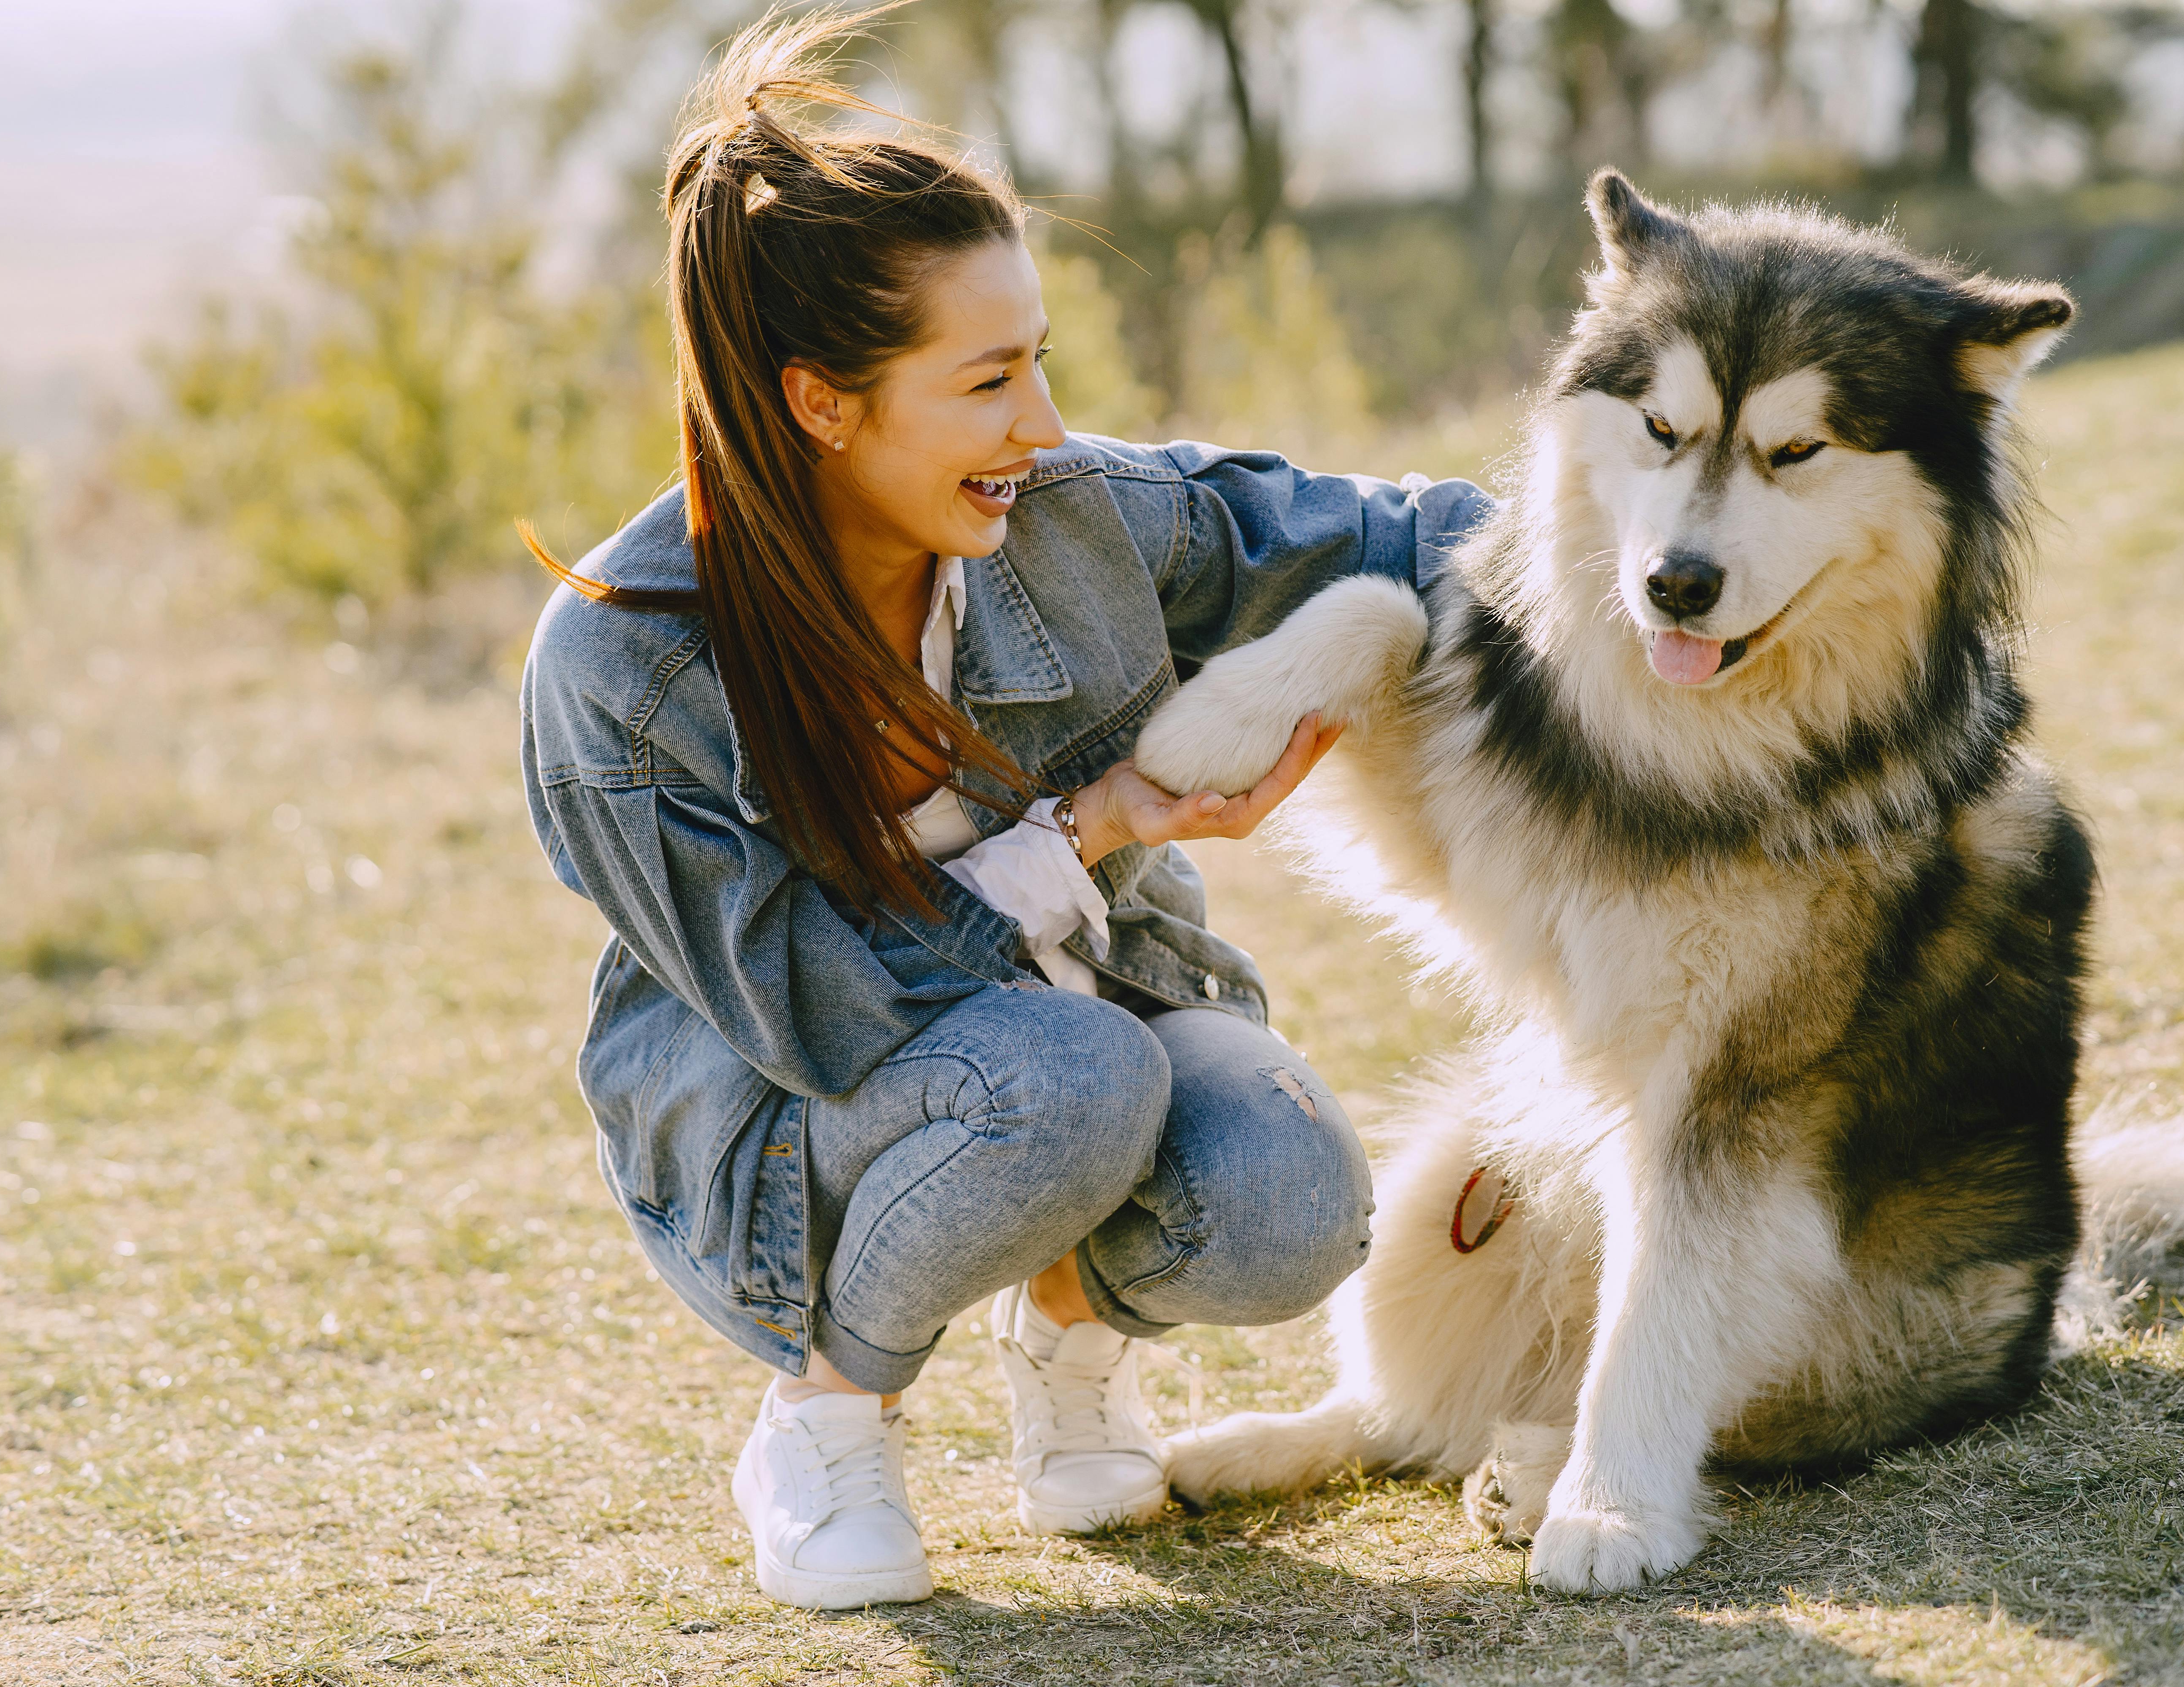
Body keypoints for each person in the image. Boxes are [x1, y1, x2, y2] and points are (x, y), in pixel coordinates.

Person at [517, 10, 1489, 1612]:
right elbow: (820, 1016)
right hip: (794, 1128)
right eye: (988, 380)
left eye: (1041, 360)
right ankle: (824, 1423)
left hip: (1077, 1042)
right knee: (1072, 1072)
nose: (1042, 423)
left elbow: (1382, 533)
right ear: (822, 403)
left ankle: (1077, 1337)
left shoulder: (1076, 516)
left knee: (1292, 1197)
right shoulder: (624, 674)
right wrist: (1094, 829)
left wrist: (1652, 556)